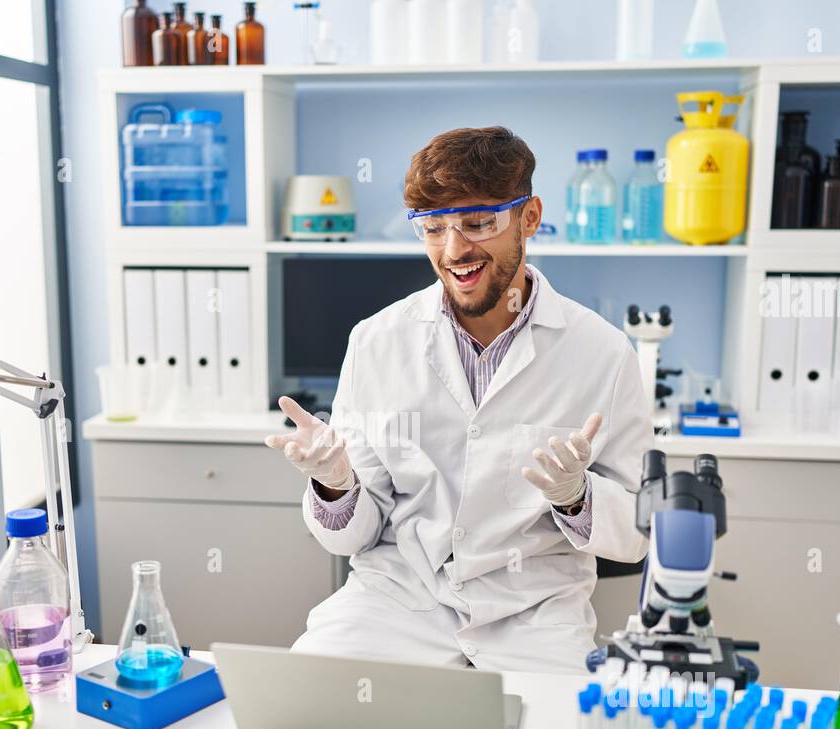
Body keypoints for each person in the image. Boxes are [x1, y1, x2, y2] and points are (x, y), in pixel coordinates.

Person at [264, 126, 651, 673]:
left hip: (534, 615)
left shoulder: (603, 354)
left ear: (530, 217)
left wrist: (576, 497)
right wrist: (336, 483)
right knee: (304, 704)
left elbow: (636, 533)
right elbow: (354, 535)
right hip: (397, 602)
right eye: (434, 228)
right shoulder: (376, 342)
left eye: (477, 224)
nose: (454, 250)